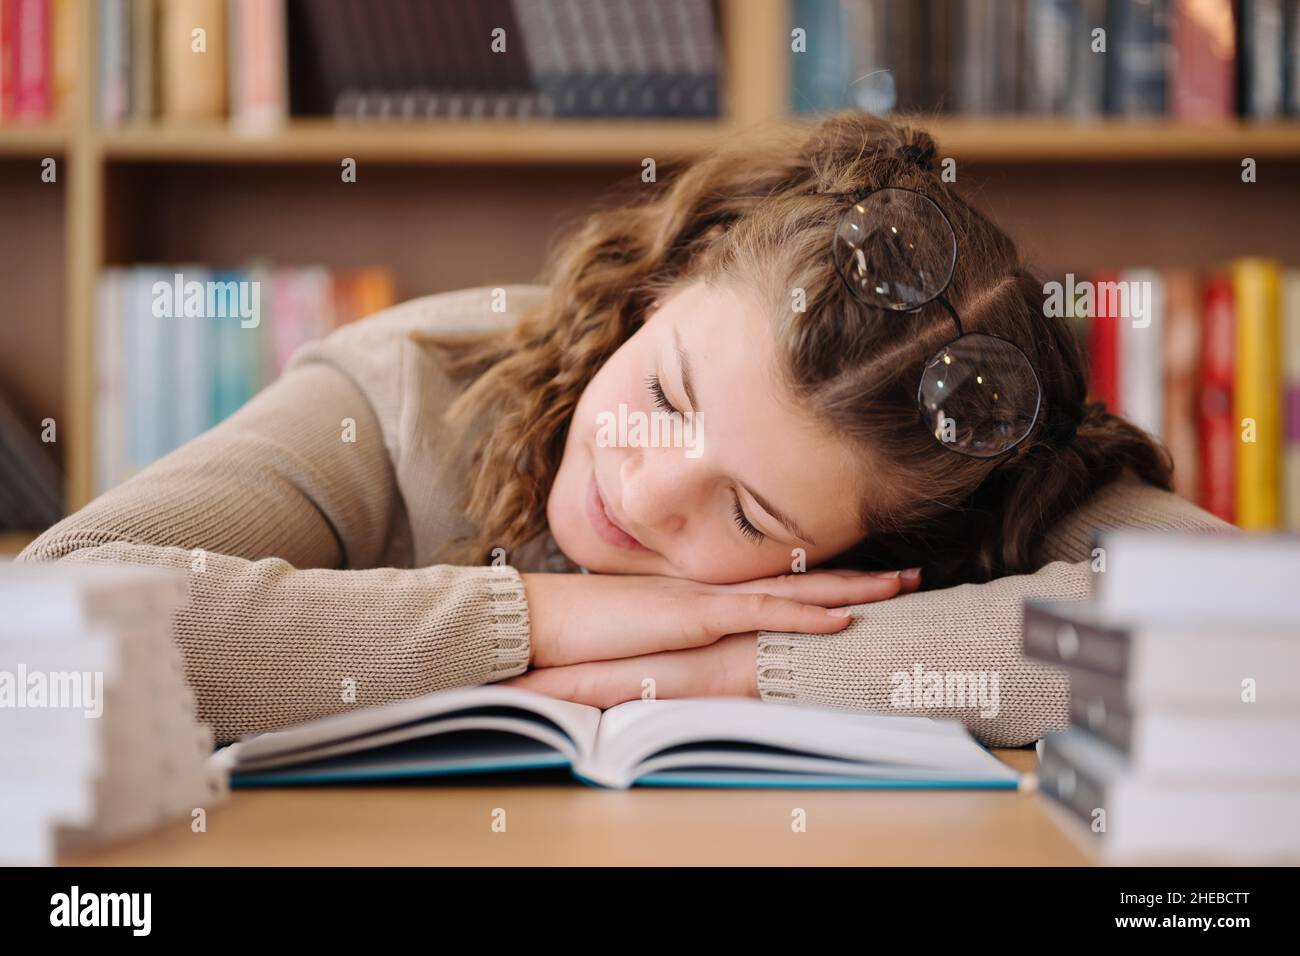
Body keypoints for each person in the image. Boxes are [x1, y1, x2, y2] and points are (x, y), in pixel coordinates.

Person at [19, 112, 1230, 747]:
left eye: (752, 514)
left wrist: (751, 665)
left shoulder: (958, 458)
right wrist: (540, 618)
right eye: (665, 393)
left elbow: (1236, 643)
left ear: (861, 551)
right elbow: (59, 612)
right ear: (667, 280)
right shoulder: (406, 381)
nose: (649, 493)